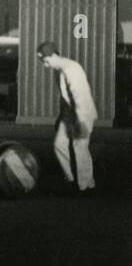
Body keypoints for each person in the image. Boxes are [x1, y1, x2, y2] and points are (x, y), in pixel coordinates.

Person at [37, 41, 97, 191]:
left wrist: (81, 120)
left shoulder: (71, 69)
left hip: (83, 113)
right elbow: (66, 98)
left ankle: (85, 187)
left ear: (53, 55)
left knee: (80, 148)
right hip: (70, 114)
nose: (45, 65)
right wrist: (62, 117)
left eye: (45, 61)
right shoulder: (60, 70)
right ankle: (71, 179)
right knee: (59, 145)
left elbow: (80, 96)